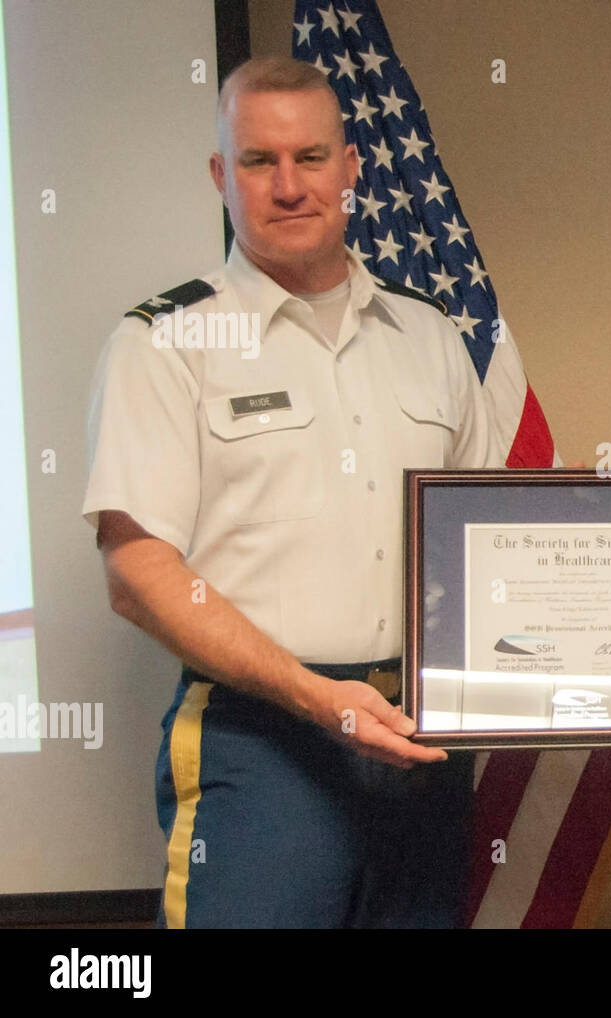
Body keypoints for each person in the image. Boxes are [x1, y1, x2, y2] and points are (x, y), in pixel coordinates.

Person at [82, 57, 507, 927]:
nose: (287, 186)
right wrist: (318, 698)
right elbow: (135, 573)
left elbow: (484, 542)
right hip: (261, 740)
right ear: (218, 176)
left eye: (311, 157)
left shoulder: (427, 334)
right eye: (256, 161)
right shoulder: (166, 342)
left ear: (351, 166)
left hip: (420, 736)